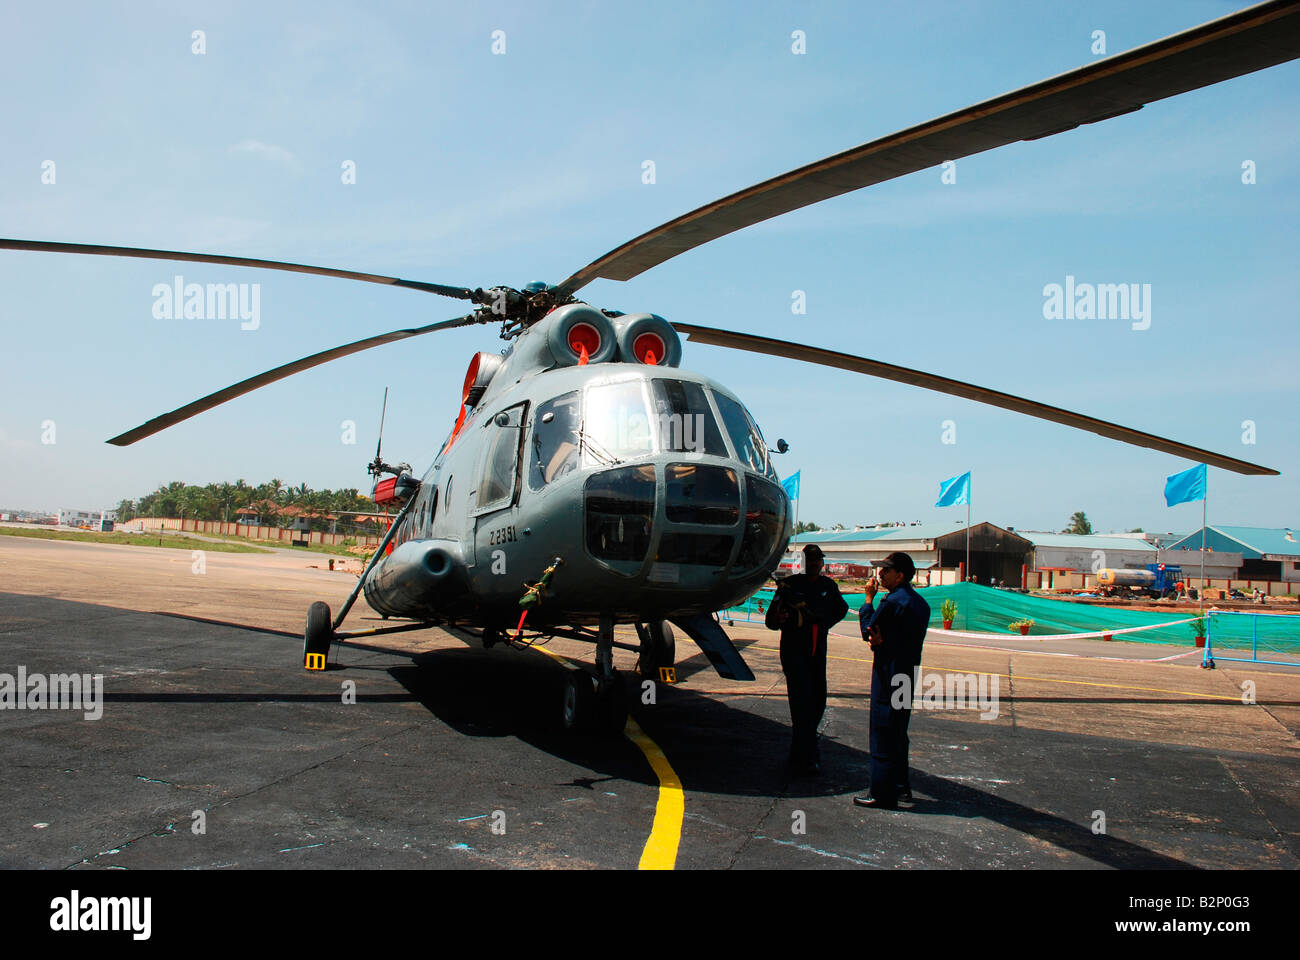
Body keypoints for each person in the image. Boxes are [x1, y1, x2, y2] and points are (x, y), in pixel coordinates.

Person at [854, 551, 930, 810]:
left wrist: (867, 601)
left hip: (888, 673)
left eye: (885, 571)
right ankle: (901, 787)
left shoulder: (892, 602)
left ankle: (882, 792)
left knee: (882, 731)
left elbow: (868, 630)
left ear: (899, 575)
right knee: (899, 731)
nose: (880, 575)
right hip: (907, 672)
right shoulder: (920, 604)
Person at [765, 543, 848, 776]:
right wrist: (780, 618)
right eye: (809, 559)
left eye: (817, 560)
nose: (813, 563)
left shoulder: (828, 586)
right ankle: (807, 756)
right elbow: (770, 620)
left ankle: (800, 752)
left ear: (822, 563)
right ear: (804, 562)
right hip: (794, 653)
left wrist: (823, 624)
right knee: (801, 706)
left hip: (816, 653)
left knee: (818, 702)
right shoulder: (790, 585)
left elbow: (841, 609)